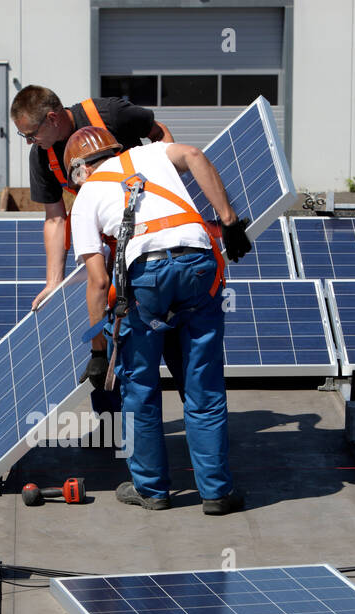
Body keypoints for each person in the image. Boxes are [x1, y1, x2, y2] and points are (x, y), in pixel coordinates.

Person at [65, 126, 252, 515]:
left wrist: (99, 351)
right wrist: (230, 221)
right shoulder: (152, 154)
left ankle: (152, 490)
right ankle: (216, 493)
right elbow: (197, 156)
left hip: (145, 280)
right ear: (116, 149)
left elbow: (99, 283)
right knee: (203, 384)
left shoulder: (84, 200)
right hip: (199, 266)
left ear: (80, 169)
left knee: (141, 389)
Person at [9, 85, 173, 311]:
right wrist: (54, 283)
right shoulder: (41, 157)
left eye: (31, 134)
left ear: (52, 118)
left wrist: (169, 187)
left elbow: (159, 133)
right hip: (117, 241)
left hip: (157, 228)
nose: (28, 142)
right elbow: (55, 219)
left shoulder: (109, 113)